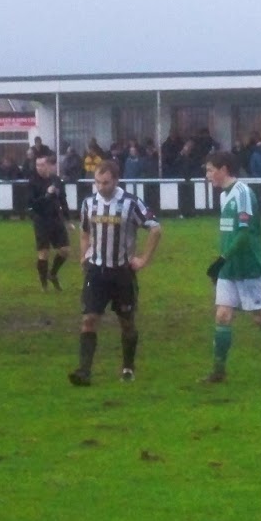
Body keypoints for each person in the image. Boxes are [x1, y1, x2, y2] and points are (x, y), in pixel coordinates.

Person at [203, 151, 261, 383]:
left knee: (260, 317)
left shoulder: (243, 194)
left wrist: (222, 258)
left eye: (210, 170)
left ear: (224, 169)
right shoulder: (225, 195)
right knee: (222, 315)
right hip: (229, 268)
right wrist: (223, 262)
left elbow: (243, 234)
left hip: (248, 266)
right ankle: (218, 371)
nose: (208, 175)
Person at [69, 160, 160, 386]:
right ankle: (84, 371)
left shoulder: (131, 203)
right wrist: (84, 256)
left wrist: (143, 259)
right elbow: (84, 232)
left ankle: (128, 367)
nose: (101, 186)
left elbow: (156, 229)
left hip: (122, 274)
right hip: (96, 272)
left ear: (116, 180)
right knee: (89, 319)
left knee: (127, 322)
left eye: (106, 182)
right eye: (97, 182)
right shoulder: (88, 203)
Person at [28, 150, 71, 291]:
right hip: (41, 219)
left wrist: (68, 219)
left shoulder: (56, 180)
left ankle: (52, 274)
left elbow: (63, 199)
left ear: (48, 166)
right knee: (43, 253)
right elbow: (32, 203)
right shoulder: (33, 182)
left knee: (65, 250)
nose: (39, 167)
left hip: (56, 219)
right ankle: (44, 285)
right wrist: (46, 195)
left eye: (42, 164)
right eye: (37, 165)